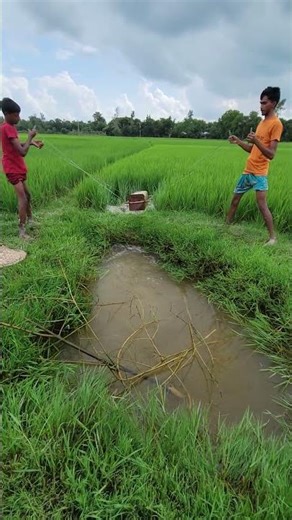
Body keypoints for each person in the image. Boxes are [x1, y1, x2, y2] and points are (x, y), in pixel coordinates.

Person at [226, 86, 283, 245]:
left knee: (262, 205)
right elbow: (253, 149)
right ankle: (225, 227)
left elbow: (271, 154)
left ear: (273, 103)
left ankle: (272, 238)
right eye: (260, 103)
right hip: (248, 170)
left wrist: (256, 140)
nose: (261, 106)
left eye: (264, 103)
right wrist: (238, 142)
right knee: (235, 200)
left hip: (260, 173)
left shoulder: (276, 124)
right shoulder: (261, 123)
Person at [1, 97, 44, 238]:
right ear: (6, 114)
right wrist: (30, 137)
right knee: (23, 198)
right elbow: (22, 152)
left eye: (19, 114)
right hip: (12, 168)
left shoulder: (9, 127)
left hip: (17, 166)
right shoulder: (7, 128)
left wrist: (32, 143)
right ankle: (21, 230)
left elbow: (19, 147)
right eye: (16, 115)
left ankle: (30, 220)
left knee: (28, 195)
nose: (18, 118)